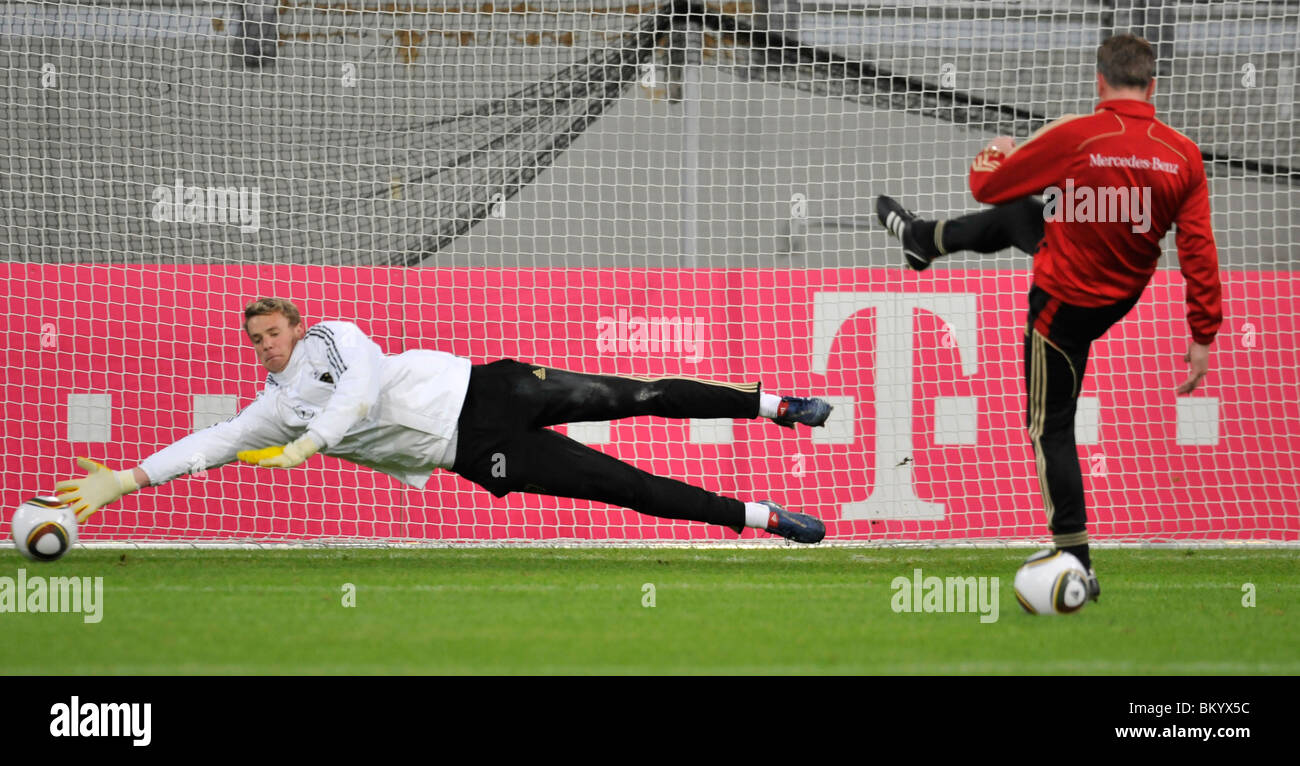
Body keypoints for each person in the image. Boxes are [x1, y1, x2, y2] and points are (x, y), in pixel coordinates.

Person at [875, 33, 1223, 597]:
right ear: (1153, 86)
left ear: (1099, 82)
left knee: (1049, 427)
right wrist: (1203, 333)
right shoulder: (1182, 153)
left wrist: (997, 151)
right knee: (1020, 217)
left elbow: (987, 183)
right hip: (1119, 292)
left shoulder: (1078, 134)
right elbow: (1198, 249)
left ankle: (1076, 558)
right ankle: (923, 240)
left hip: (1062, 305)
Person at [54, 298, 832, 543]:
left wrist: (310, 448)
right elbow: (214, 442)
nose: (265, 345)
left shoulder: (335, 340)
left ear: (295, 326)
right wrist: (126, 479)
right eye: (255, 340)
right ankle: (764, 518)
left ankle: (778, 407)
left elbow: (357, 393)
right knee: (619, 487)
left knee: (637, 396)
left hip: (490, 392)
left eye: (273, 333)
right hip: (472, 451)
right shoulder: (275, 406)